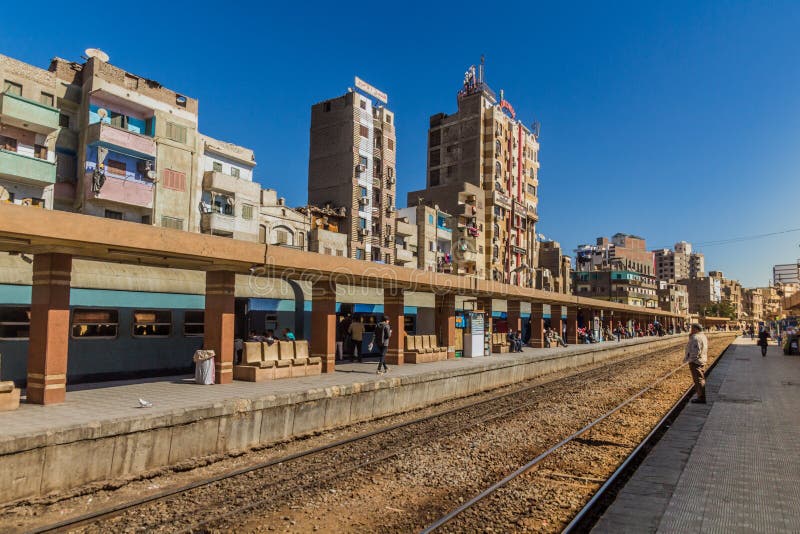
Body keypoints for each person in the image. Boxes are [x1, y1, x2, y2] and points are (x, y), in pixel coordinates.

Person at [685, 324, 708, 403]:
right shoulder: (702, 336)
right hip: (701, 360)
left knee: (698, 380)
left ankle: (701, 398)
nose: (691, 330)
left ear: (696, 329)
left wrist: (691, 360)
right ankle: (700, 396)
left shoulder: (696, 338)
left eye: (692, 328)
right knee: (700, 379)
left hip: (696, 361)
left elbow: (696, 351)